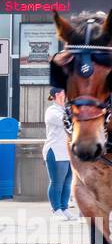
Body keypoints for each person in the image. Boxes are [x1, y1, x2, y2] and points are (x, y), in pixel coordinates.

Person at [43, 89, 74, 221]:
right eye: (63, 92)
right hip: (55, 150)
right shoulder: (52, 111)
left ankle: (64, 207)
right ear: (57, 95)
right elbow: (68, 122)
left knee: (67, 182)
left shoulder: (65, 109)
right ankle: (56, 209)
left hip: (67, 151)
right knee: (57, 182)